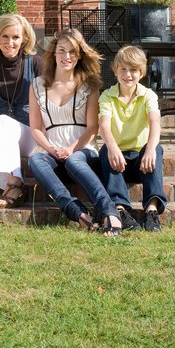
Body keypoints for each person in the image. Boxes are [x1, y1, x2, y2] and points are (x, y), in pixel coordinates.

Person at [28, 29, 122, 236]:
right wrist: (52, 149)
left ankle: (109, 212)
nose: (67, 56)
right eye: (62, 50)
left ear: (80, 55)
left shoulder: (89, 85)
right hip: (52, 149)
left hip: (82, 149)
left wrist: (71, 149)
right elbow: (35, 128)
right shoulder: (37, 85)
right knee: (35, 161)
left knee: (74, 161)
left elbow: (92, 128)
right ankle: (77, 212)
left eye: (72, 51)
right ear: (54, 53)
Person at [98, 45, 167, 232]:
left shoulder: (148, 95)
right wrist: (112, 147)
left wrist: (151, 149)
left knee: (156, 149)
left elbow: (154, 123)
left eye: (133, 70)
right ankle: (120, 210)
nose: (128, 74)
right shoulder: (107, 96)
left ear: (141, 72)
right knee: (105, 150)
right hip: (117, 162)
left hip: (141, 162)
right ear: (115, 70)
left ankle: (151, 212)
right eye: (123, 69)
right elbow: (104, 125)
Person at [0, 13, 43, 208]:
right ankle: (9, 182)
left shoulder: (36, 63)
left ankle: (14, 183)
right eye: (5, 36)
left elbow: (47, 104)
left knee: (4, 122)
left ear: (24, 39)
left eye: (15, 37)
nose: (10, 42)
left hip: (27, 134)